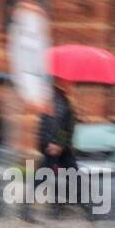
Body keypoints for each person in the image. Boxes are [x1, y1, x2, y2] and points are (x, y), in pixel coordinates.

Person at [37, 80, 78, 217]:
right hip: (57, 148)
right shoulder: (58, 100)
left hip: (57, 147)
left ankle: (56, 210)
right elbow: (56, 124)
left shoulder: (58, 99)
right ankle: (91, 212)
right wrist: (56, 144)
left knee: (46, 177)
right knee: (73, 177)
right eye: (71, 84)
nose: (72, 86)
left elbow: (62, 124)